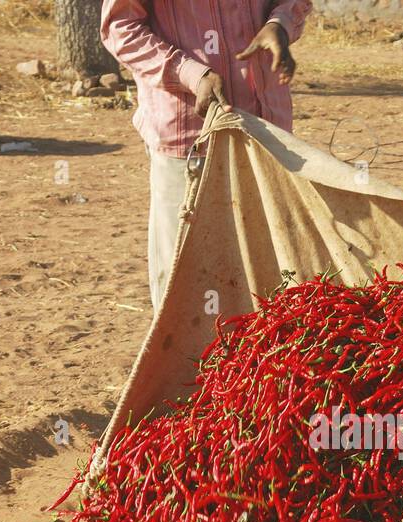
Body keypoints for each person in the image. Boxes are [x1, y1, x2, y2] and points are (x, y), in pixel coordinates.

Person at [100, 1, 313, 309]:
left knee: (270, 272)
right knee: (187, 279)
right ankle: (189, 358)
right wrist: (191, 74)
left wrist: (278, 24)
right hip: (191, 140)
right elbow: (121, 29)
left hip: (266, 131)